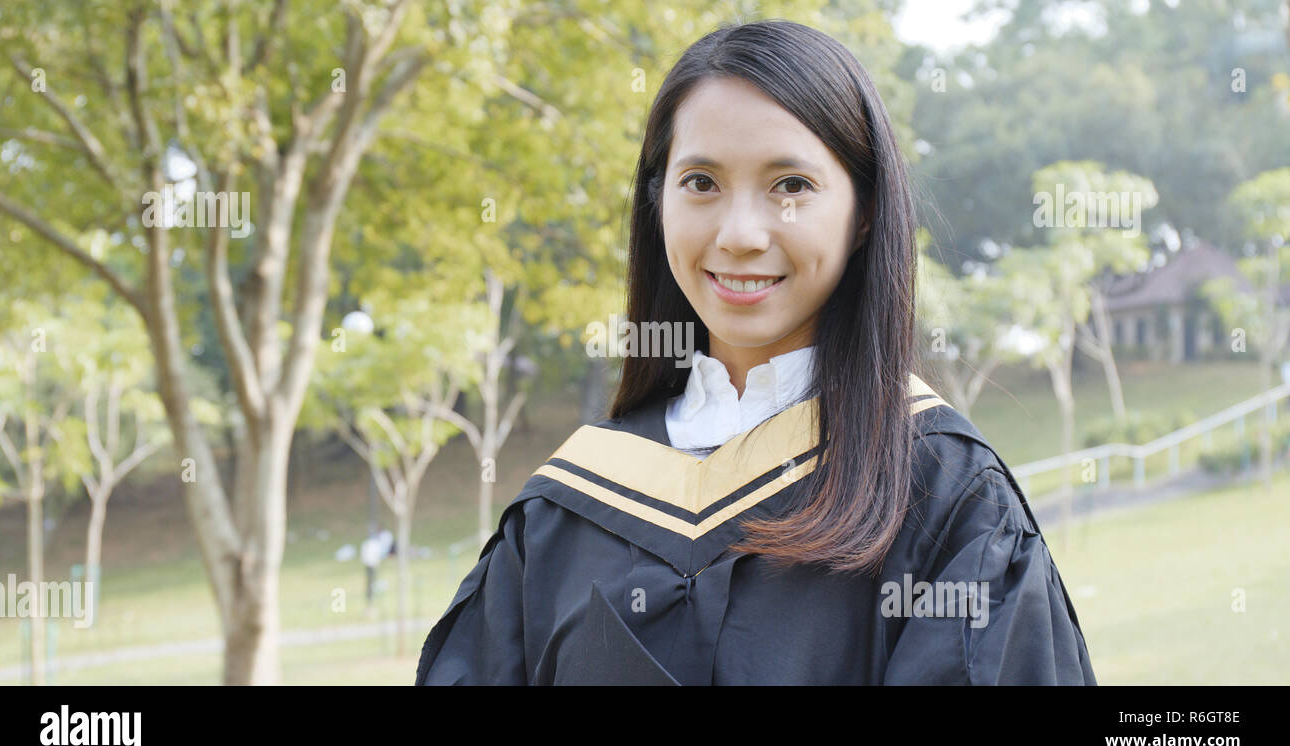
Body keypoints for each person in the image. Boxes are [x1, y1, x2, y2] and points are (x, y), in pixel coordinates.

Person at [415, 19, 1096, 685]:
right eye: (701, 182)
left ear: (863, 211)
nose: (740, 233)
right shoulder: (565, 510)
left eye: (791, 186)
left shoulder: (948, 500)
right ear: (657, 203)